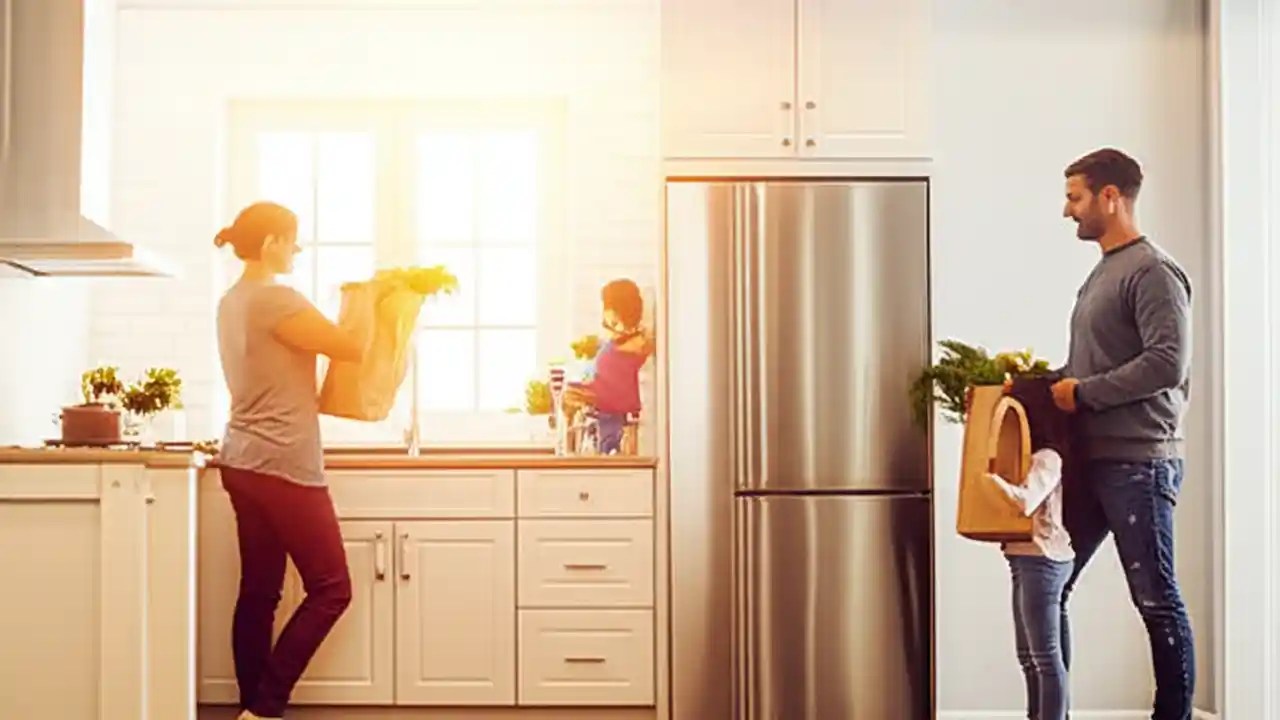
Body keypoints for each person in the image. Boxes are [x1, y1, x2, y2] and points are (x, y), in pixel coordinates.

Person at [1050, 148, 1195, 719]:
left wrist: (1082, 393)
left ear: (1110, 197)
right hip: (1094, 460)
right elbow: (1087, 366)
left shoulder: (1152, 271)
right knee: (1050, 585)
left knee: (1156, 601)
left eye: (1075, 197)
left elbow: (1167, 363)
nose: (1067, 211)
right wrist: (1029, 385)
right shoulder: (1103, 273)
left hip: (1140, 463)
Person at [214, 201, 369, 720]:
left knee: (259, 592)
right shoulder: (275, 299)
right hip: (282, 461)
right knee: (332, 588)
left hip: (240, 458)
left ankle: (250, 710)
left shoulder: (231, 300)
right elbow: (348, 347)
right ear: (271, 242)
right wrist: (376, 302)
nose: (297, 248)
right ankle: (266, 707)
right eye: (292, 238)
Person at [982, 377, 1077, 720]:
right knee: (1028, 655)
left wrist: (989, 482)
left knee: (1045, 657)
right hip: (1026, 558)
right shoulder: (1033, 457)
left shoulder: (1048, 458)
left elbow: (1025, 502)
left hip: (1044, 560)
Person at [566, 279, 654, 454]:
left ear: (616, 309)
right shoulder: (620, 340)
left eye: (607, 306)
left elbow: (614, 392)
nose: (604, 311)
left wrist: (585, 394)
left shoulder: (635, 344)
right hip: (607, 423)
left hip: (618, 427)